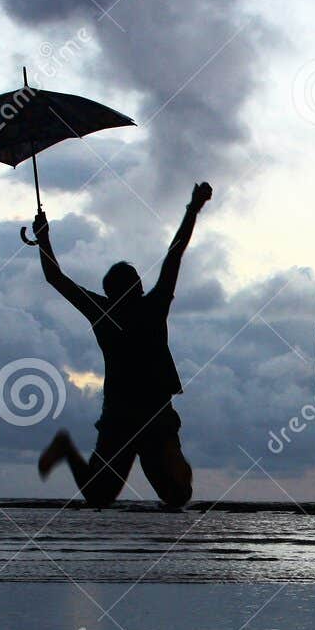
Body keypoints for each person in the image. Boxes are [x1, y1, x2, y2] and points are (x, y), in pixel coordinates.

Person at [33, 181, 211, 510]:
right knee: (176, 497)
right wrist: (193, 208)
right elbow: (175, 253)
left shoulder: (104, 311)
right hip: (146, 414)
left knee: (103, 496)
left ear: (110, 291)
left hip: (129, 414)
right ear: (138, 287)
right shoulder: (150, 306)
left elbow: (55, 278)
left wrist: (43, 238)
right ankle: (170, 458)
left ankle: (68, 449)